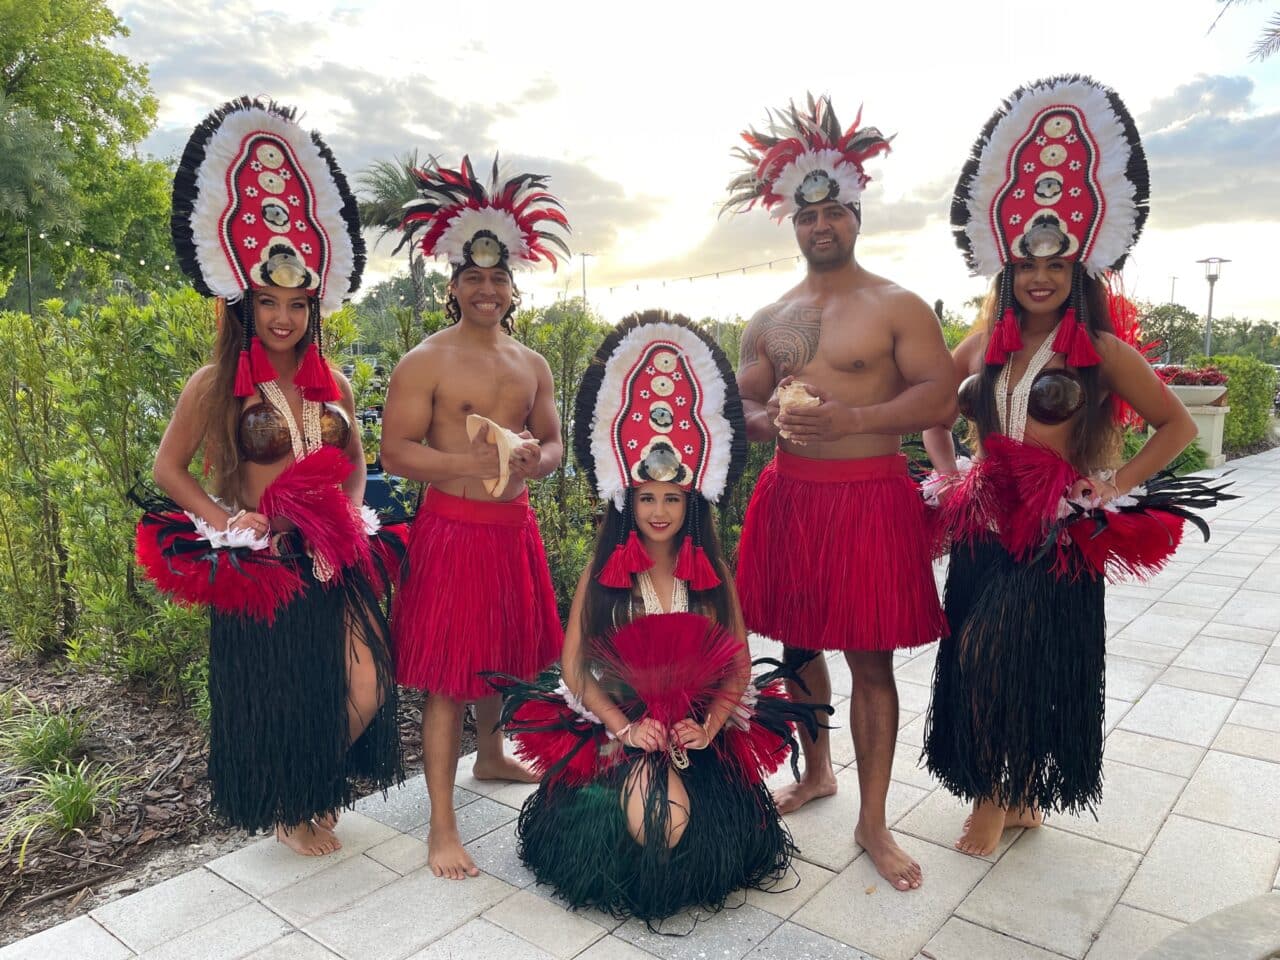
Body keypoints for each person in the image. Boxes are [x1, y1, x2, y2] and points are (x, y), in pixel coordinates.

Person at [921, 75, 1229, 856]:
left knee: (1013, 652)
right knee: (977, 649)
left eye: (1056, 268)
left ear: (1077, 272)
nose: (1041, 277)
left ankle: (998, 795)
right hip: (987, 522)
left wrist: (1116, 484)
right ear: (1008, 269)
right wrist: (952, 469)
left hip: (1056, 530)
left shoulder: (1106, 353)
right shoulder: (982, 344)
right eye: (1028, 265)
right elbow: (931, 409)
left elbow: (1177, 422)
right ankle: (1016, 789)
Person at [487, 311, 827, 924]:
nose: (660, 511)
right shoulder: (603, 571)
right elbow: (573, 665)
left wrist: (715, 722)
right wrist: (623, 726)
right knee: (653, 822)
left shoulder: (712, 573)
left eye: (673, 498)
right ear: (628, 498)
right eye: (648, 497)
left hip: (695, 727)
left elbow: (738, 663)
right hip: (623, 726)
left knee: (676, 826)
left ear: (691, 500)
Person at [138, 97, 401, 856]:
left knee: (367, 685)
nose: (283, 318)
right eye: (267, 301)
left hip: (335, 558)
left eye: (296, 303)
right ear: (244, 300)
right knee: (282, 690)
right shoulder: (213, 384)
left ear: (314, 304)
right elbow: (167, 468)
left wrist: (348, 518)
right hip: (267, 563)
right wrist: (225, 521)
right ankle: (296, 802)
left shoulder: (337, 385)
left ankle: (312, 779)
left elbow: (356, 466)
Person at [723, 94, 956, 892]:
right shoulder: (774, 316)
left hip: (869, 498)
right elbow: (739, 405)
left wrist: (855, 412)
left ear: (856, 213)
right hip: (792, 498)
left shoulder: (895, 305)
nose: (820, 226)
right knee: (796, 645)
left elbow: (939, 398)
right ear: (793, 221)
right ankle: (817, 771)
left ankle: (873, 820)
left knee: (873, 661)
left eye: (834, 212)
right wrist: (772, 425)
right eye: (806, 214)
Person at [380, 156, 568, 880]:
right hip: (451, 531)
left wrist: (532, 462)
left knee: (496, 654)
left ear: (513, 286)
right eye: (473, 278)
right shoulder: (423, 362)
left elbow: (551, 445)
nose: (486, 289)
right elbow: (395, 454)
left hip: (510, 530)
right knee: (446, 678)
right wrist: (479, 462)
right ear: (453, 286)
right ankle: (439, 826)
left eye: (498, 278)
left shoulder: (533, 363)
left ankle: (490, 755)